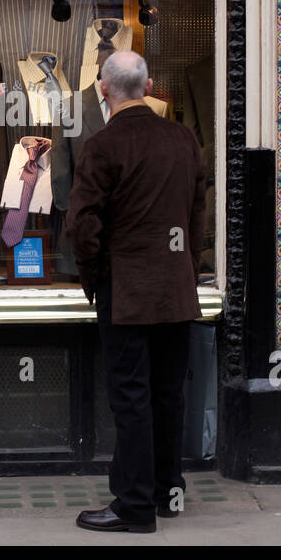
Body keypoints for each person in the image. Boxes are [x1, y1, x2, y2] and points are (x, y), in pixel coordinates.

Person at [65, 50, 207, 533]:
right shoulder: (184, 140)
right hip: (176, 291)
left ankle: (135, 506)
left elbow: (83, 227)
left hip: (125, 294)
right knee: (168, 395)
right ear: (148, 87)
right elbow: (196, 218)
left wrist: (94, 280)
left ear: (103, 89)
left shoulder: (102, 146)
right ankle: (169, 492)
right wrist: (188, 267)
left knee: (131, 398)